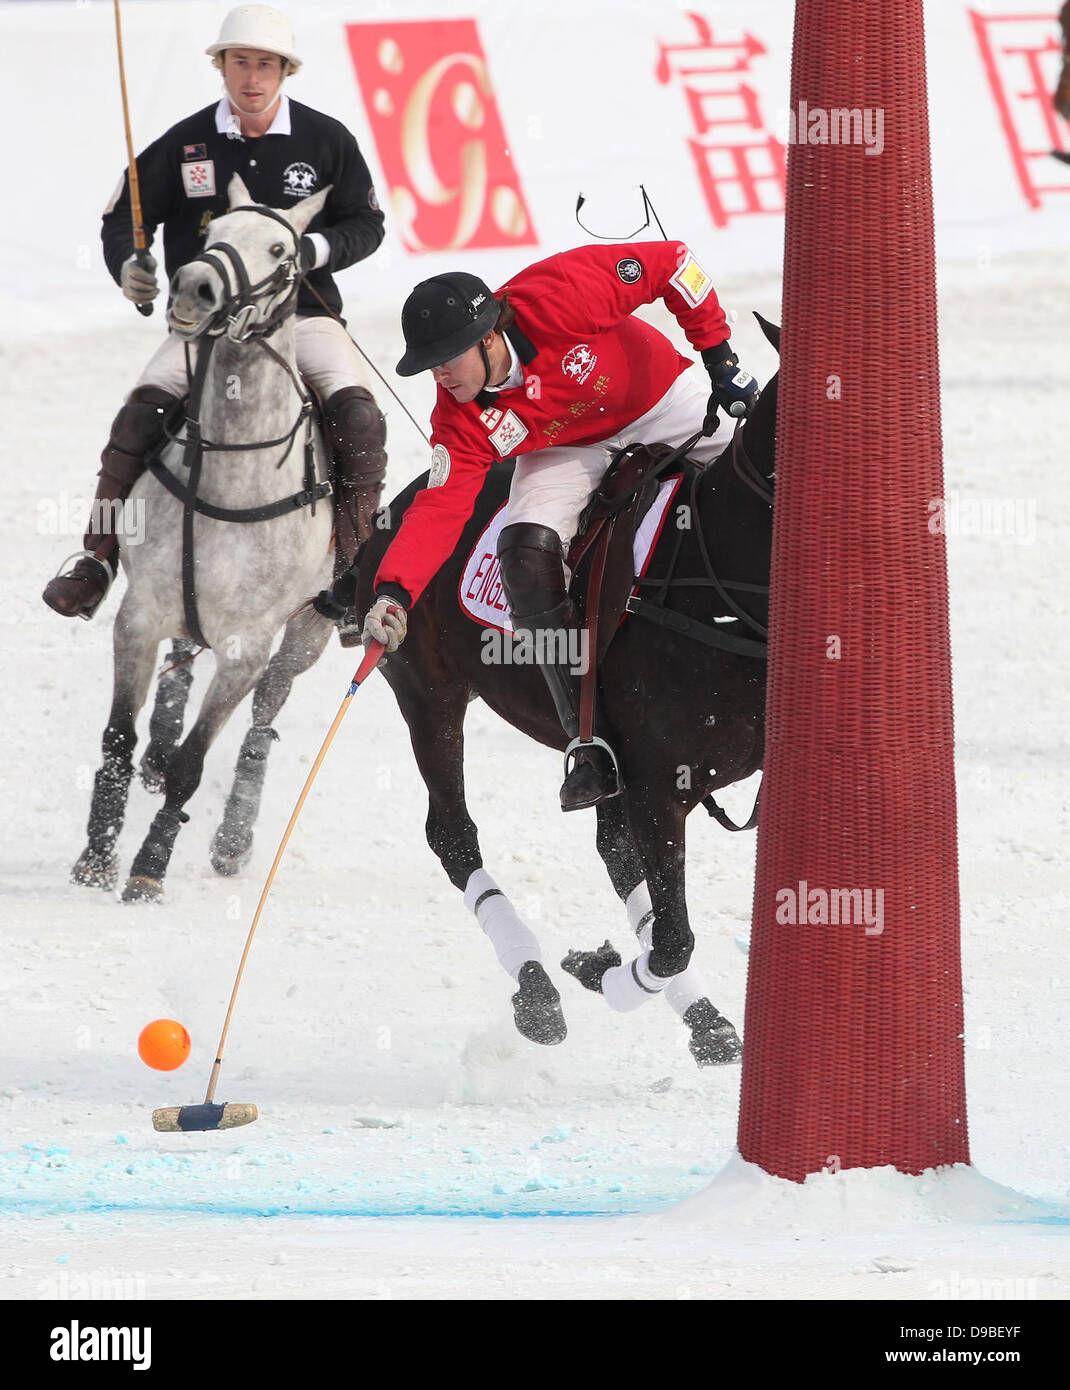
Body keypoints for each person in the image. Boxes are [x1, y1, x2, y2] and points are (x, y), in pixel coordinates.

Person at [334, 241, 758, 810]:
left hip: (660, 399)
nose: (440, 374)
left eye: (448, 358)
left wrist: (719, 356)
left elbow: (673, 264)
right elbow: (440, 507)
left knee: (771, 480)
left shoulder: (559, 294)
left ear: (488, 338)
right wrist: (393, 592)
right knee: (524, 551)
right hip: (567, 447)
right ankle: (588, 737)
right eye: (429, 363)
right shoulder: (457, 414)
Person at [43, 4, 387, 643]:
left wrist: (309, 250)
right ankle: (98, 559)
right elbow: (125, 217)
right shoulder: (186, 143)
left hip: (303, 316)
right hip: (205, 327)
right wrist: (129, 268)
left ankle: (354, 567)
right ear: (221, 66)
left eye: (263, 64)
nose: (251, 77)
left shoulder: (326, 139)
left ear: (285, 70)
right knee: (139, 411)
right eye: (239, 62)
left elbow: (367, 225)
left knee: (358, 414)